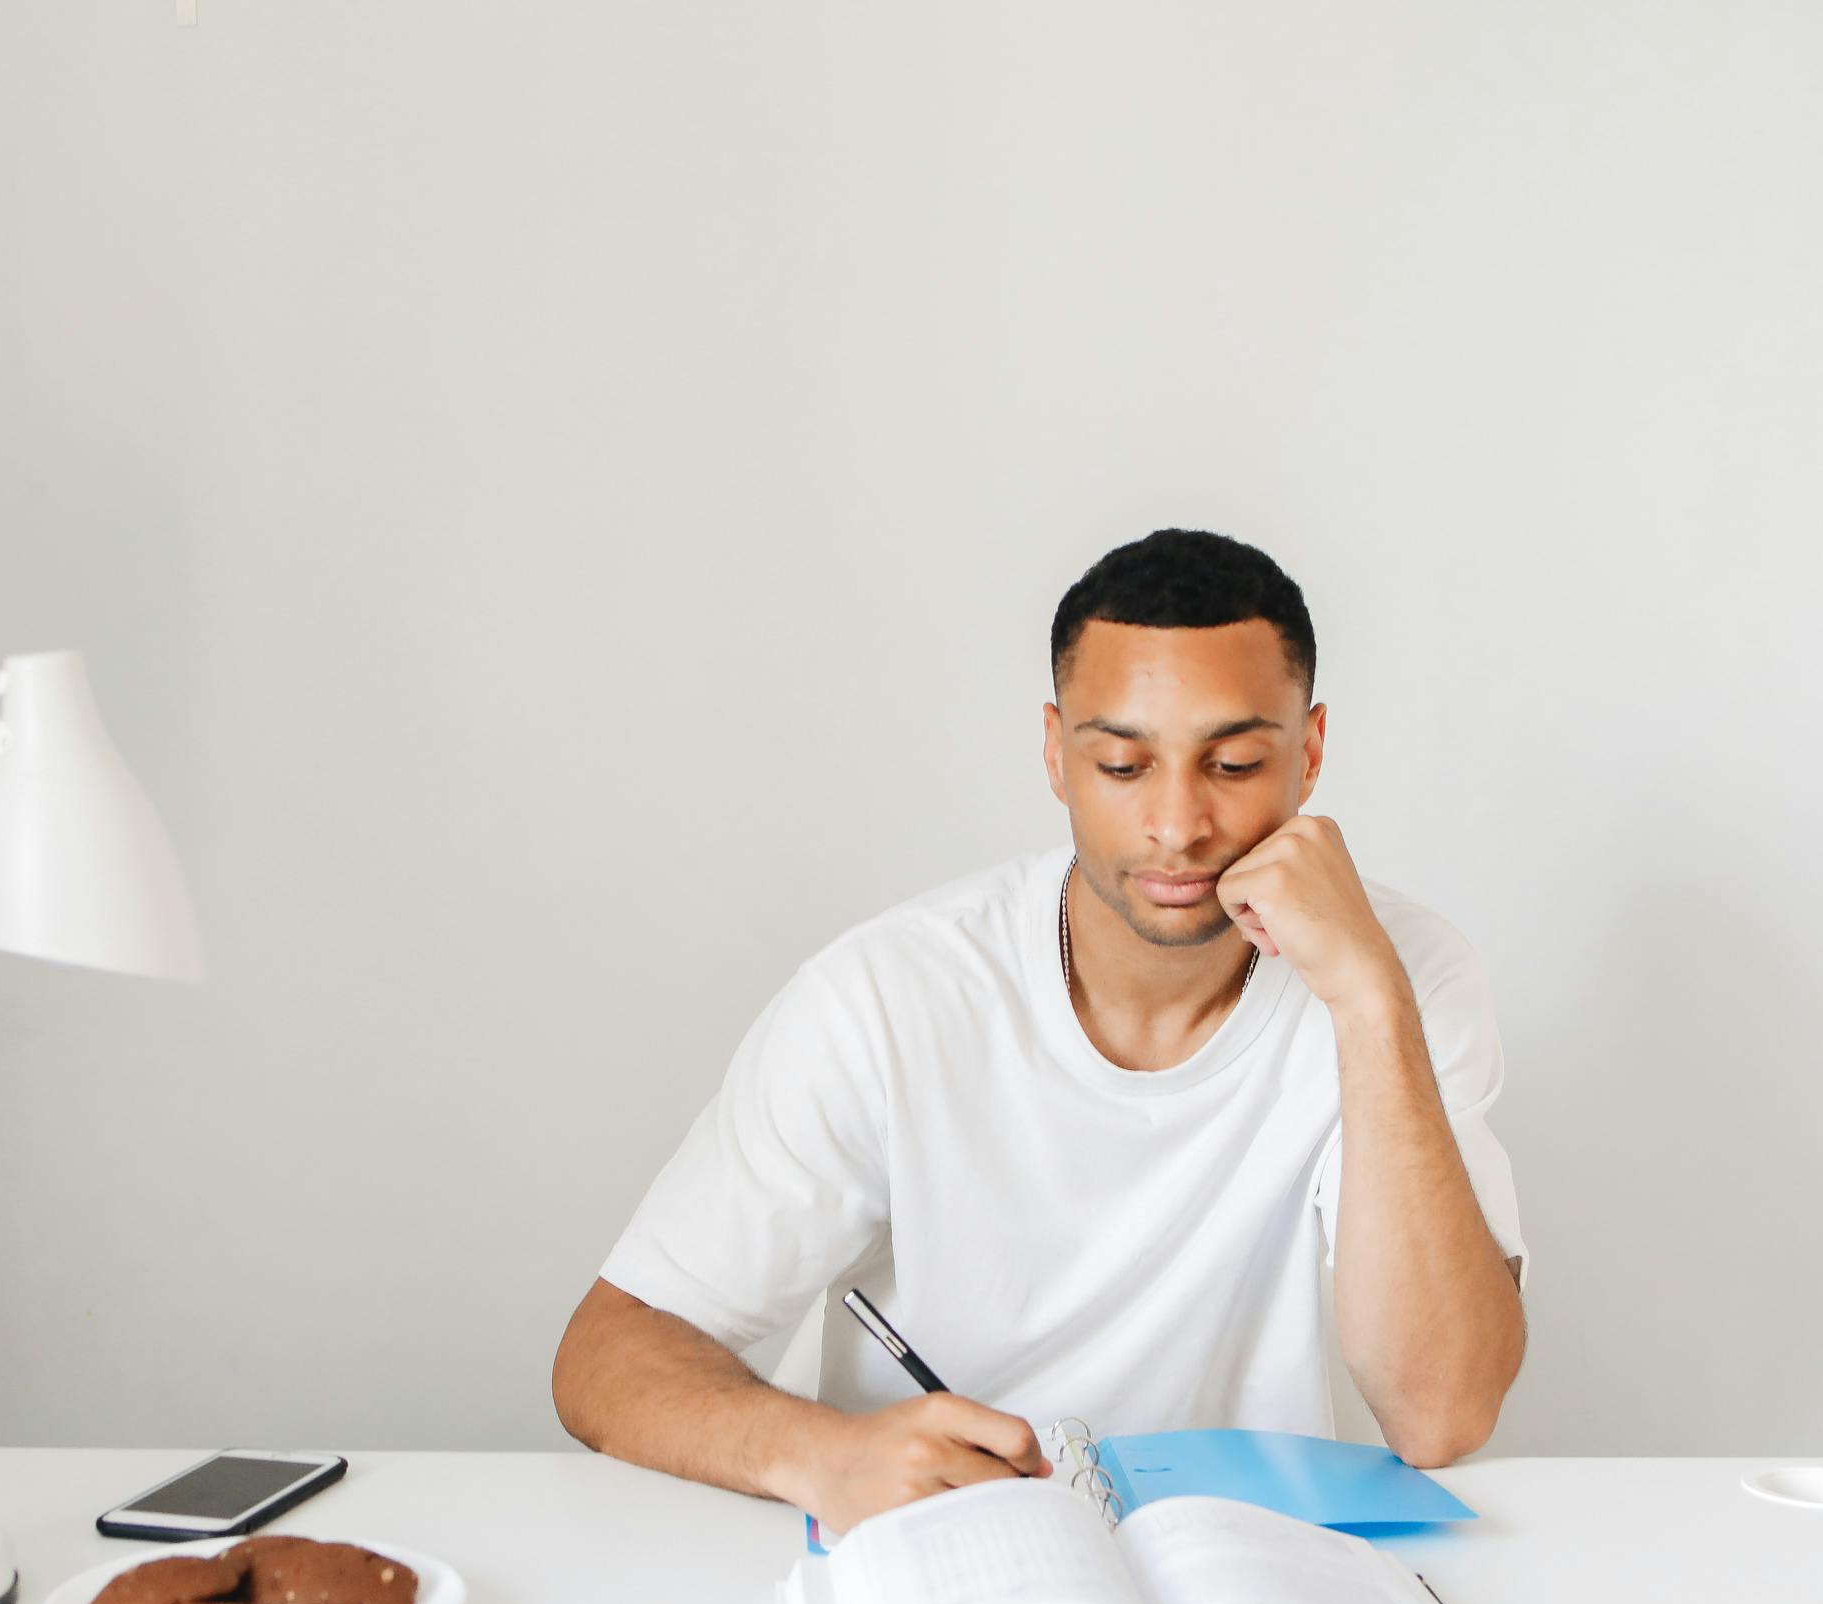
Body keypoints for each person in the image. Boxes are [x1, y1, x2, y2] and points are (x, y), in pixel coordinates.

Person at [551, 527, 1527, 1536]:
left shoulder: (1406, 975)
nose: (1178, 822)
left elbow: (1442, 1411)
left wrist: (1369, 1001)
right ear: (1057, 755)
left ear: (1309, 752)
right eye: (1122, 764)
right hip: (945, 1555)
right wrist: (827, 1455)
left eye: (1233, 762)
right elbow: (606, 1354)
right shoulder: (887, 994)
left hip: (1256, 1564)